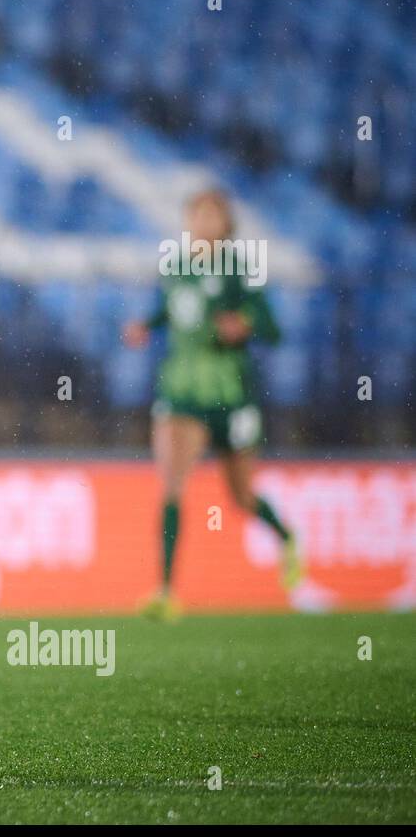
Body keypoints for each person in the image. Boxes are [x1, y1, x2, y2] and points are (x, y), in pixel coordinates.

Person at [123, 189, 300, 620]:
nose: (202, 222)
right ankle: (166, 593)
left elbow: (274, 331)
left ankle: (286, 538)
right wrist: (145, 326)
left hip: (232, 396)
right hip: (180, 393)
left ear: (226, 225)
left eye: (211, 215)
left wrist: (248, 324)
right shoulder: (176, 268)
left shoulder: (241, 272)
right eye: (196, 214)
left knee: (240, 497)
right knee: (172, 485)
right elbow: (169, 311)